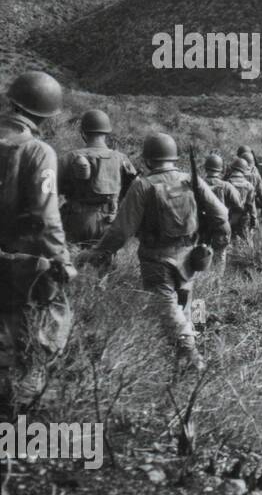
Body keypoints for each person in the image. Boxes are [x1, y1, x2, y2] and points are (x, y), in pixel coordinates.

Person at [83, 132, 228, 372]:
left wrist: (101, 251)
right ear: (173, 157)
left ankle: (189, 352)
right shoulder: (190, 180)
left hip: (156, 257)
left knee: (166, 303)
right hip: (191, 254)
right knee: (192, 298)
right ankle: (198, 336)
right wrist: (211, 235)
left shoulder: (143, 185)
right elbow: (221, 213)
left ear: (148, 159)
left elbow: (121, 231)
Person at [0, 72, 75, 408]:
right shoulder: (37, 151)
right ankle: (20, 410)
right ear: (46, 114)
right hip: (16, 260)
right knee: (34, 333)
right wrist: (62, 260)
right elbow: (47, 217)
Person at [57, 109, 138, 246]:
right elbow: (135, 192)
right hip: (110, 222)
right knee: (104, 258)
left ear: (83, 133)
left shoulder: (70, 158)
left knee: (74, 256)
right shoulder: (121, 158)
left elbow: (52, 191)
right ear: (106, 133)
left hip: (76, 221)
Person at [201, 154, 241, 275]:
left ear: (205, 168)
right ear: (221, 169)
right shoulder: (226, 186)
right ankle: (217, 282)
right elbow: (238, 206)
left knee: (201, 254)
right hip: (221, 225)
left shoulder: (198, 184)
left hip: (201, 225)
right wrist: (230, 222)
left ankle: (203, 279)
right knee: (220, 255)